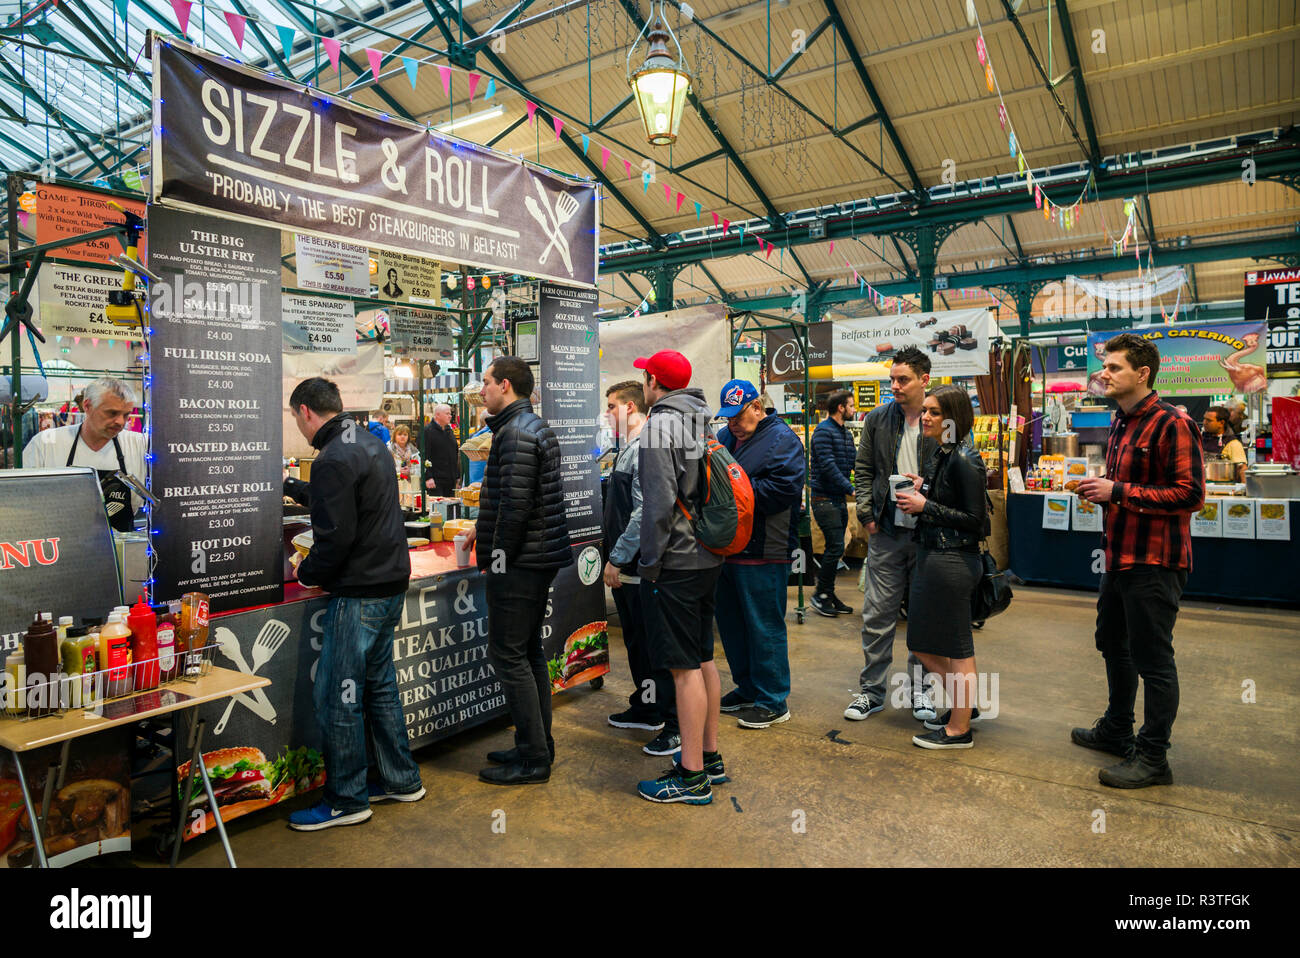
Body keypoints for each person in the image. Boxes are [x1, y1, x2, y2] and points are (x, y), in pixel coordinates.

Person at [281, 377, 425, 830]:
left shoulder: (331, 457)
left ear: (305, 411)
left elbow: (335, 536)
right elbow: (350, 502)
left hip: (359, 589)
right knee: (379, 684)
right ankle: (401, 780)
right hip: (390, 581)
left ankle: (347, 798)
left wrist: (306, 572)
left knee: (338, 696)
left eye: (295, 418)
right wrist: (292, 486)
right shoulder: (366, 441)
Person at [1074, 334, 1204, 788]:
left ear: (1142, 373)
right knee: (1113, 643)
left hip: (1156, 561)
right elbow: (1126, 487)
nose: (1103, 374)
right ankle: (1117, 728)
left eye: (1113, 367)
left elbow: (1191, 495)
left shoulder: (1173, 424)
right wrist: (1102, 489)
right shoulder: (1119, 422)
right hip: (1119, 555)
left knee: (1154, 660)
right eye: (1104, 367)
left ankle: (1153, 758)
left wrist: (1118, 492)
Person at [465, 357, 573, 785]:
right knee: (527, 652)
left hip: (521, 563)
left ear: (505, 385)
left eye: (487, 382)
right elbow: (513, 500)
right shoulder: (530, 427)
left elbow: (515, 508)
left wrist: (496, 560)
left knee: (509, 654)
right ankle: (537, 743)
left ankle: (533, 759)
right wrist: (481, 528)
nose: (483, 390)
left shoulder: (514, 433)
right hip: (535, 559)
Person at [633, 350, 726, 805]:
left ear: (654, 381)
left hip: (677, 562)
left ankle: (690, 778)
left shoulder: (659, 426)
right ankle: (709, 757)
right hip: (708, 556)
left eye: (644, 378)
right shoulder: (702, 419)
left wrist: (649, 564)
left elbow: (657, 506)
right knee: (703, 658)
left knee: (683, 670)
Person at [846, 347, 938, 723]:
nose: (895, 387)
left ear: (924, 380)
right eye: (893, 380)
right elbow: (863, 468)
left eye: (904, 380)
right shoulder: (878, 419)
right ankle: (871, 692)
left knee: (924, 616)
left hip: (930, 533)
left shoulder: (942, 418)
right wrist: (867, 514)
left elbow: (959, 467)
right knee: (877, 615)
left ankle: (921, 693)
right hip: (886, 531)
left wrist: (928, 489)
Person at [896, 385, 988, 750]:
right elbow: (950, 498)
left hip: (953, 561)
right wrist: (926, 489)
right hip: (935, 556)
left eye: (934, 412)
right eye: (926, 411)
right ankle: (964, 708)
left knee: (957, 648)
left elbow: (976, 521)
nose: (926, 417)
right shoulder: (945, 452)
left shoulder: (965, 457)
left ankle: (958, 729)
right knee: (922, 643)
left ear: (952, 416)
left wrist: (925, 506)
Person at [714, 379, 806, 729]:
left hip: (765, 548)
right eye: (728, 418)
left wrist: (733, 491)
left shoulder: (783, 440)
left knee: (763, 625)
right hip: (726, 547)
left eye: (738, 416)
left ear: (757, 407)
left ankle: (773, 698)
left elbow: (783, 489)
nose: (733, 424)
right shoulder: (725, 439)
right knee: (732, 623)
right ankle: (748, 687)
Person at [602, 380, 678, 754]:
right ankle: (648, 706)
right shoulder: (627, 447)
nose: (607, 414)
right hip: (631, 561)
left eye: (611, 407)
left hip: (639, 562)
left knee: (651, 643)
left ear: (630, 407)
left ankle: (666, 714)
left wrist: (618, 556)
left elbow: (643, 512)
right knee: (635, 640)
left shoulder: (644, 447)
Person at [23, 377, 147, 533]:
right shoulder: (46, 444)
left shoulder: (140, 445)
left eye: (126, 415)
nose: (120, 422)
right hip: (60, 544)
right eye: (112, 413)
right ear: (87, 406)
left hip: (119, 549)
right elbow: (23, 502)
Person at [810, 389, 857, 617]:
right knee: (835, 546)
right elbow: (828, 468)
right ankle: (820, 594)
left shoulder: (845, 434)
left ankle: (828, 593)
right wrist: (851, 489)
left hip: (837, 499)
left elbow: (855, 461)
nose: (854, 409)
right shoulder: (823, 432)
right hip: (823, 498)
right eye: (851, 405)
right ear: (841, 408)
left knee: (836, 548)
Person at [423, 403, 460, 497]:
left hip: (450, 479)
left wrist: (457, 475)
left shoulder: (449, 431)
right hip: (435, 480)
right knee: (438, 509)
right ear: (437, 415)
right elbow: (424, 455)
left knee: (450, 507)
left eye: (450, 413)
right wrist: (428, 477)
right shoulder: (427, 431)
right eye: (447, 413)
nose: (450, 416)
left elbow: (454, 453)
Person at [1201, 406, 1247, 482]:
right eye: (1204, 419)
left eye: (1209, 420)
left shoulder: (1233, 444)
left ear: (1221, 423)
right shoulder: (1200, 438)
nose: (1204, 422)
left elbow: (1242, 468)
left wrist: (1244, 489)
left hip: (1223, 487)